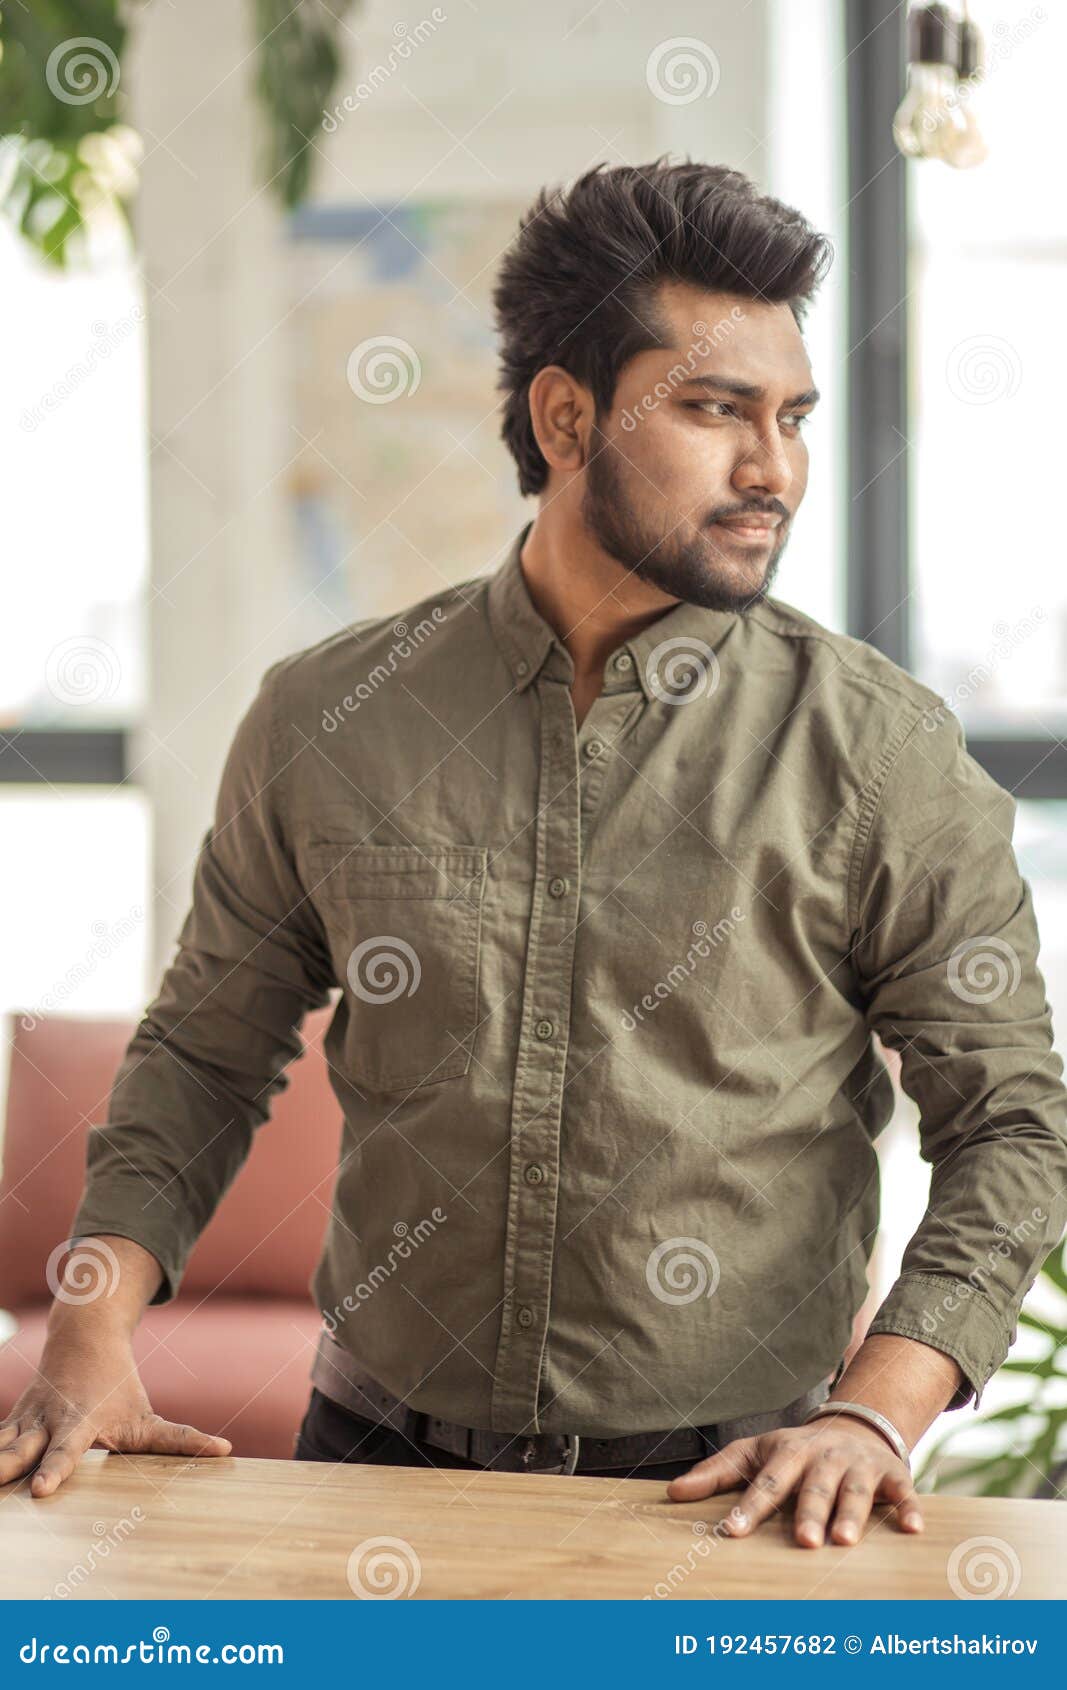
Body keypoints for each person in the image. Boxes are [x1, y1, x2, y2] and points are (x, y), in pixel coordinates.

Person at [4, 161, 1065, 1552]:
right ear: (566, 416)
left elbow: (1014, 1125)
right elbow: (204, 1048)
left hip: (735, 1506)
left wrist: (876, 1409)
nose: (776, 469)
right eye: (713, 409)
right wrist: (86, 1329)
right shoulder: (330, 718)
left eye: (793, 417)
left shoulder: (881, 753)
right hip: (373, 1471)